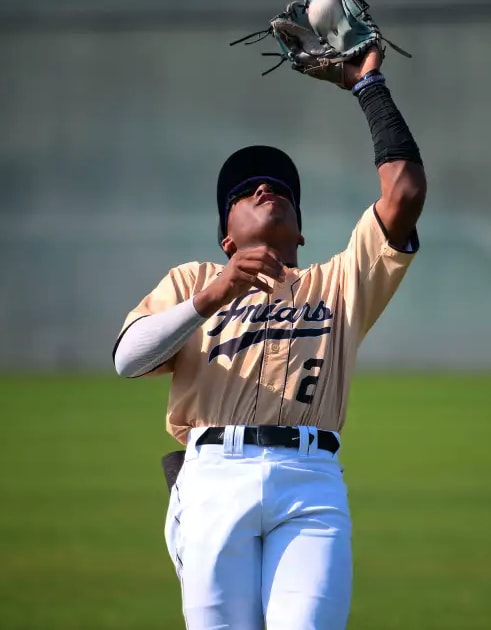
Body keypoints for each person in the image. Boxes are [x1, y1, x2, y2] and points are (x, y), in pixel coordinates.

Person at [112, 47, 426, 630]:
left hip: (310, 483)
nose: (265, 188)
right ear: (225, 239)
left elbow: (404, 194)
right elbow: (128, 360)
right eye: (245, 191)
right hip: (212, 479)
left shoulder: (340, 284)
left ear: (300, 232)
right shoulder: (192, 281)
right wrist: (213, 295)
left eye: (280, 187)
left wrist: (369, 85)